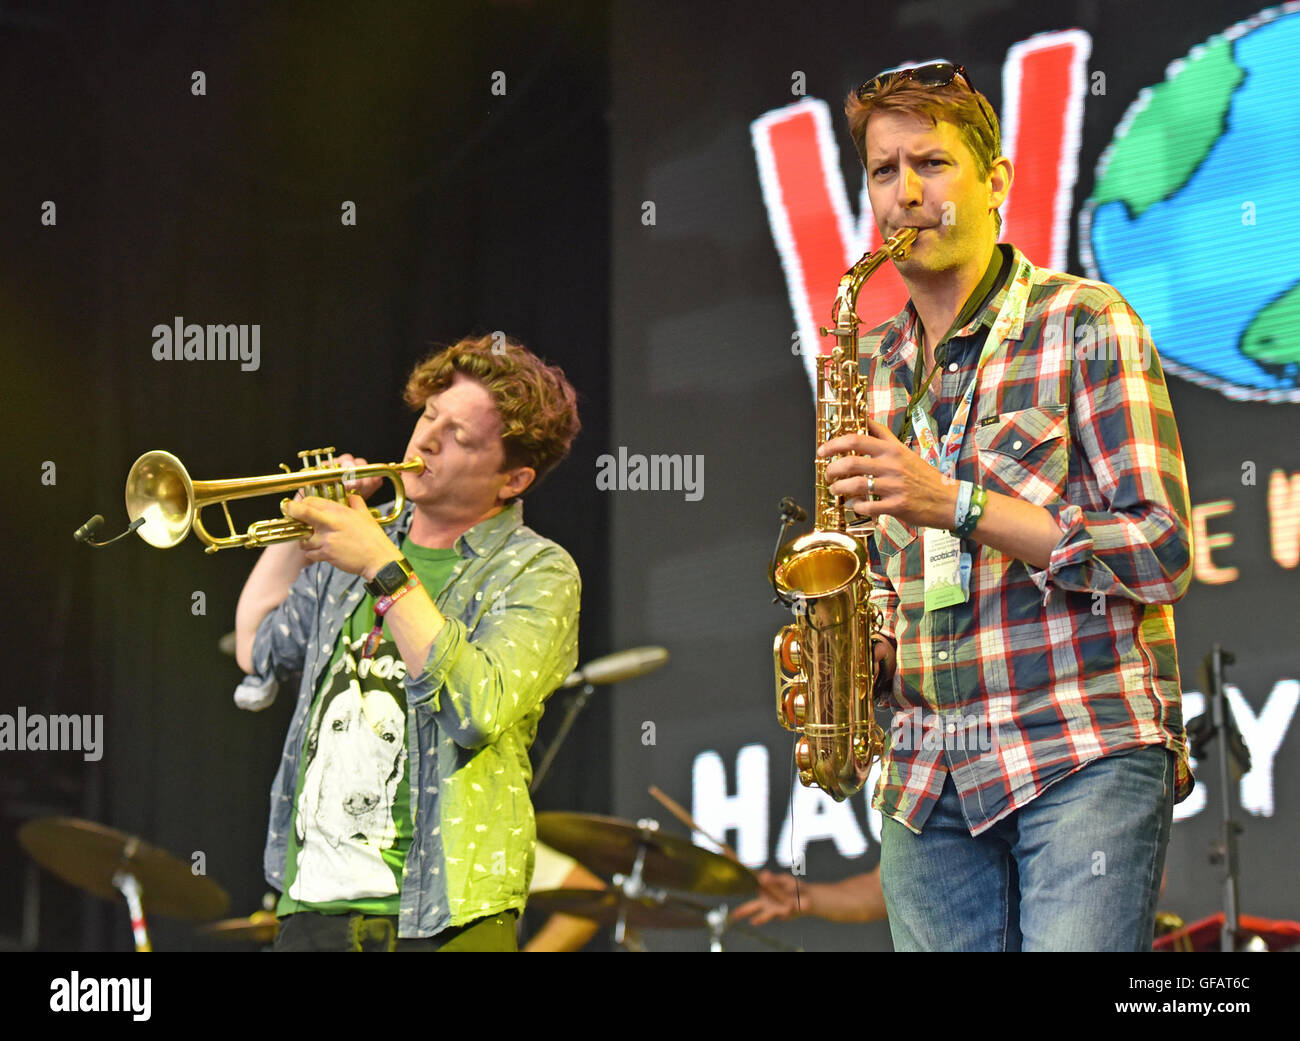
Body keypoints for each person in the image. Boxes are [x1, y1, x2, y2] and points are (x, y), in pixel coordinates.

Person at [816, 61, 1195, 951]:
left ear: (996, 181)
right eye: (883, 171)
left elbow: (1160, 550)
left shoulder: (1088, 323)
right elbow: (883, 571)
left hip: (1079, 746)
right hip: (924, 773)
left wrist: (953, 500)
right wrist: (856, 645)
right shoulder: (864, 364)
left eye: (933, 164)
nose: (907, 194)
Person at [233, 333, 581, 951]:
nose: (426, 440)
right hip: (312, 903)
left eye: (460, 438)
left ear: (514, 478)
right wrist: (299, 522)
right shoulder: (358, 543)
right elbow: (257, 644)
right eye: (429, 415)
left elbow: (476, 710)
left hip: (449, 914)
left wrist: (383, 567)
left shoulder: (537, 571)